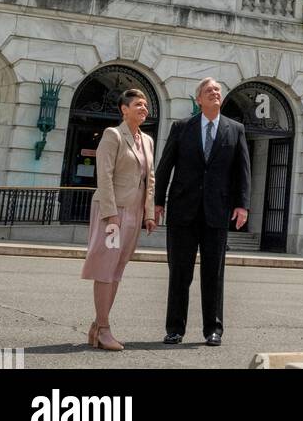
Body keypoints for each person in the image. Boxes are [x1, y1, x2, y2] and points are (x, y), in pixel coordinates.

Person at [154, 77, 250, 346]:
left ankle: (213, 330)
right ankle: (175, 329)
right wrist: (157, 202)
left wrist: (242, 204)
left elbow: (242, 170)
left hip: (217, 212)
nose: (214, 93)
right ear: (199, 99)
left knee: (214, 273)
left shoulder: (236, 129)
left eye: (218, 90)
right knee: (179, 273)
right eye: (209, 90)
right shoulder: (182, 127)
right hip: (182, 211)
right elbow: (165, 166)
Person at [81, 88, 156, 351]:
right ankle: (103, 329)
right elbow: (104, 175)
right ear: (124, 109)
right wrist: (111, 214)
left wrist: (148, 213)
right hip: (113, 212)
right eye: (138, 104)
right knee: (106, 268)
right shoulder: (113, 135)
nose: (144, 109)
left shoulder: (147, 140)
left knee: (117, 270)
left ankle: (97, 326)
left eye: (146, 105)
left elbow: (150, 180)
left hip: (135, 213)